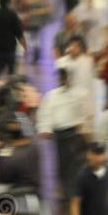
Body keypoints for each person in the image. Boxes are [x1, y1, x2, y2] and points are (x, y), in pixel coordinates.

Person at [37, 67, 93, 195]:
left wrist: (85, 131)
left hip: (74, 134)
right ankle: (66, 190)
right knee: (61, 164)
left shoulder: (81, 94)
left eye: (64, 77)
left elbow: (87, 114)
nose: (62, 80)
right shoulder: (51, 95)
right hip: (58, 135)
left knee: (75, 164)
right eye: (59, 78)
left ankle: (74, 191)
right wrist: (45, 129)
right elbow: (45, 113)